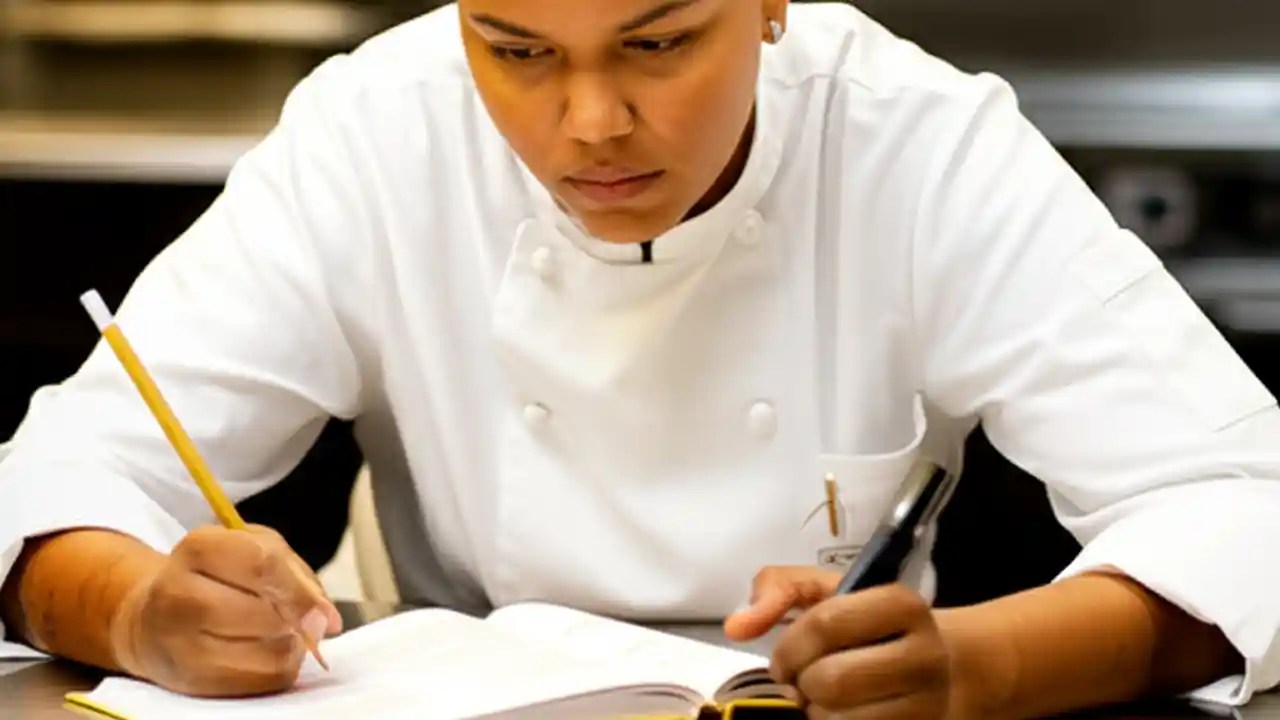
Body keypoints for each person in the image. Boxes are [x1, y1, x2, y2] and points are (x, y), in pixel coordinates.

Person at [1, 0, 1276, 716]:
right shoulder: (371, 134)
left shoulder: (916, 143)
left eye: (659, 44)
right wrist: (131, 608)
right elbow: (50, 482)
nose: (592, 123)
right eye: (516, 52)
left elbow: (1239, 508)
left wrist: (975, 668)